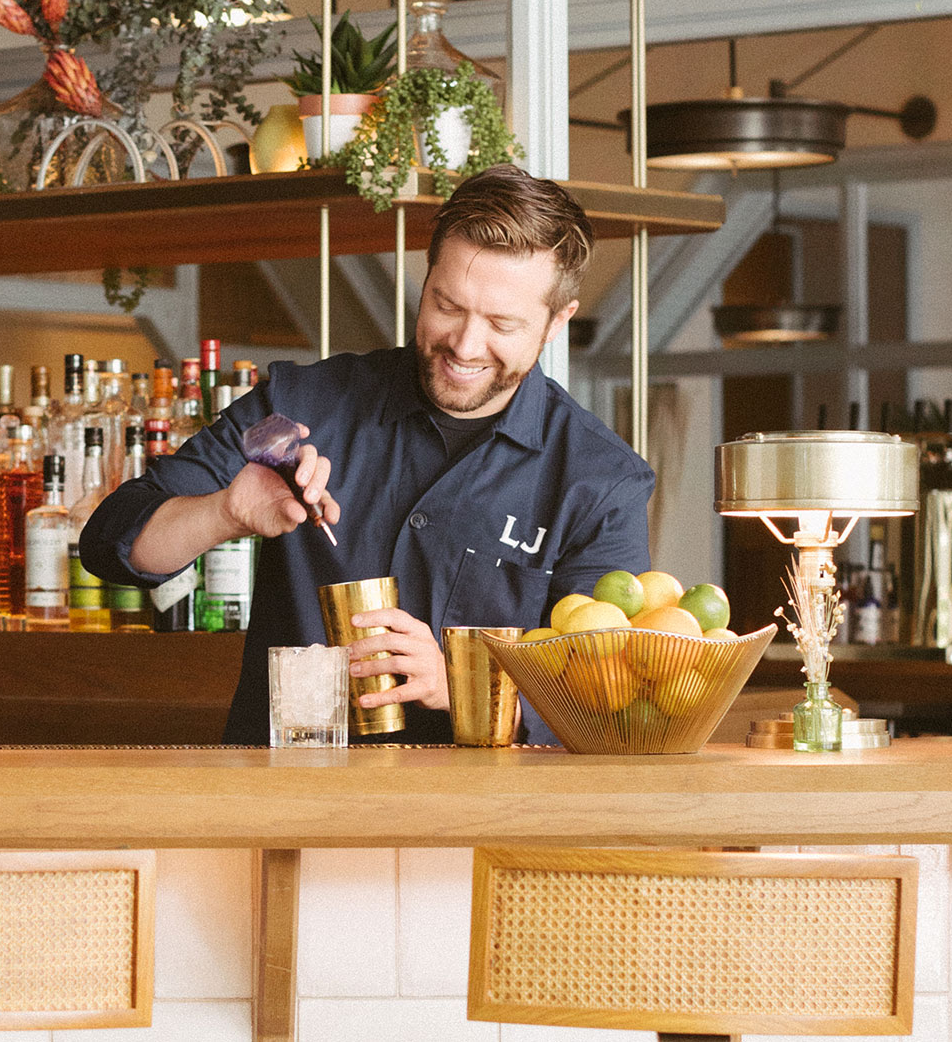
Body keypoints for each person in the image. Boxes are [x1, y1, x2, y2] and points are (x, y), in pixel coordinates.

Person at [81, 164, 654, 744]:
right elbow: (110, 542)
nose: (464, 344)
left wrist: (461, 685)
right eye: (447, 305)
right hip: (281, 803)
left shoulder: (600, 480)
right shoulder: (300, 404)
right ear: (427, 278)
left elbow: (607, 700)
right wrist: (224, 512)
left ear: (557, 322)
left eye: (502, 323)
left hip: (474, 823)